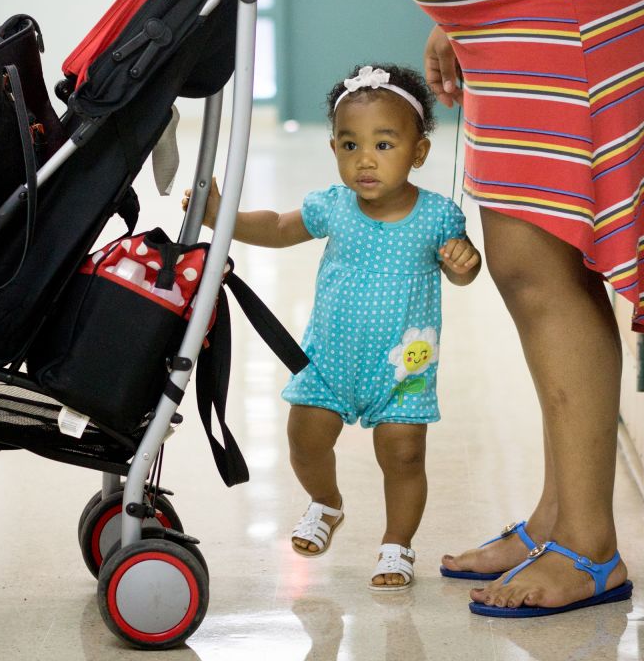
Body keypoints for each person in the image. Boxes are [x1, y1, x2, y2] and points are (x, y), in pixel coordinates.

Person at [257, 0, 644, 617]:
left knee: (547, 279)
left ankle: (591, 550)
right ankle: (559, 516)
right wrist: (465, 4)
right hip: (517, 17)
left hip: (566, 16)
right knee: (534, 281)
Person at [184, 63, 482, 591]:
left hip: (403, 369)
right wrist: (219, 216)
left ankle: (397, 544)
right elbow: (277, 227)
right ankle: (326, 503)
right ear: (334, 149)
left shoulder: (438, 217)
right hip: (328, 362)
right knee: (304, 439)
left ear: (418, 152)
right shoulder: (334, 207)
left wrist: (466, 263)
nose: (365, 160)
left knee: (404, 455)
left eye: (384, 145)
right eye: (350, 145)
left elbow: (464, 272)